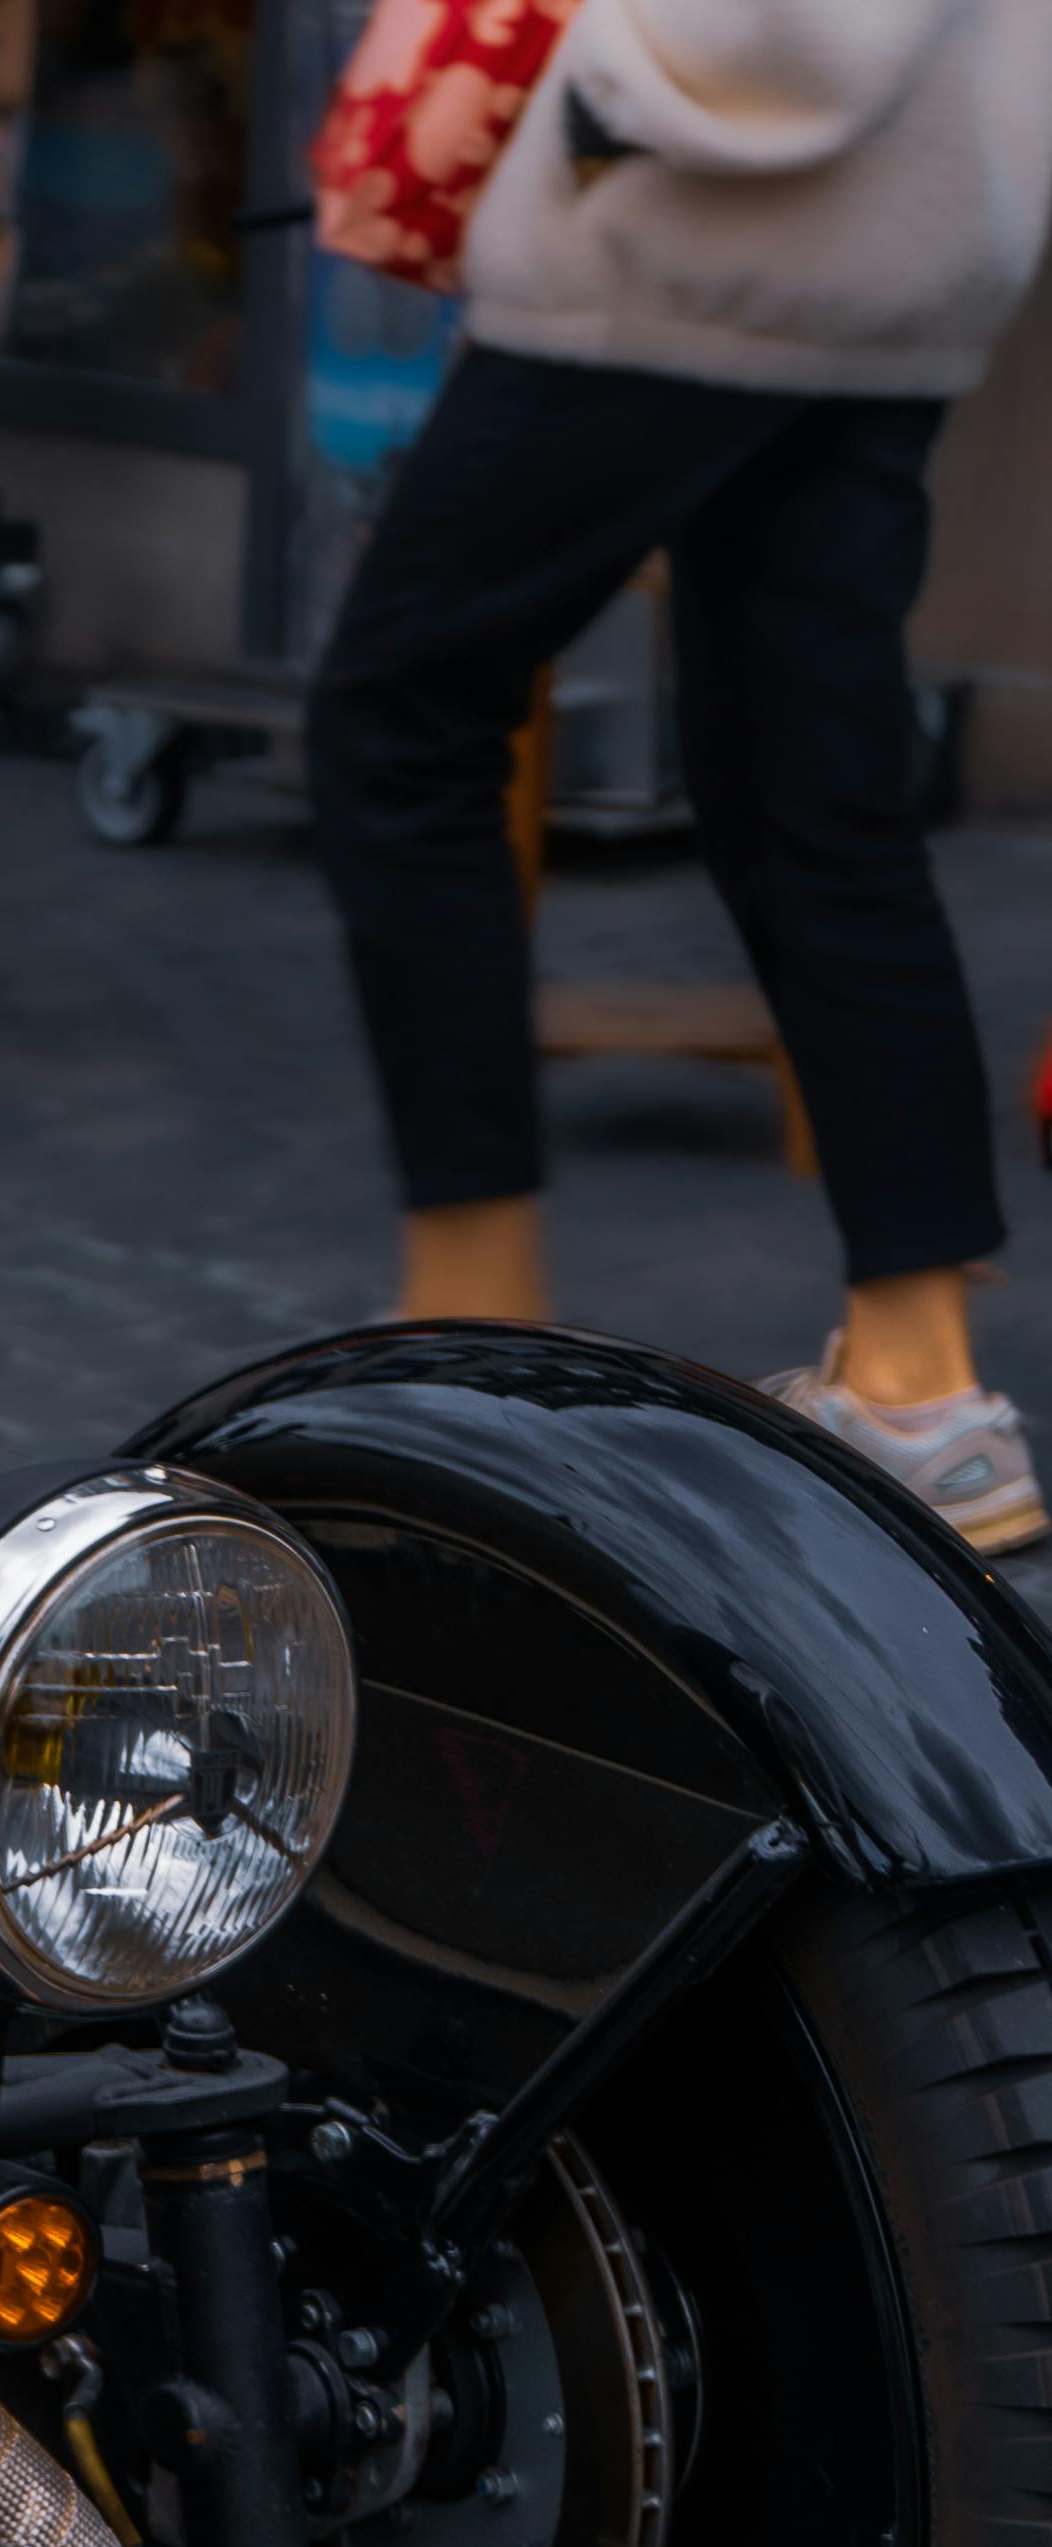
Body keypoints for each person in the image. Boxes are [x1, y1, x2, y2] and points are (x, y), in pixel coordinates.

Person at [304, 0, 1052, 1545]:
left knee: (400, 707)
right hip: (896, 254)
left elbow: (805, 33)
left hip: (691, 229)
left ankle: (473, 1320)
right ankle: (928, 1397)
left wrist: (614, 90)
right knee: (813, 787)